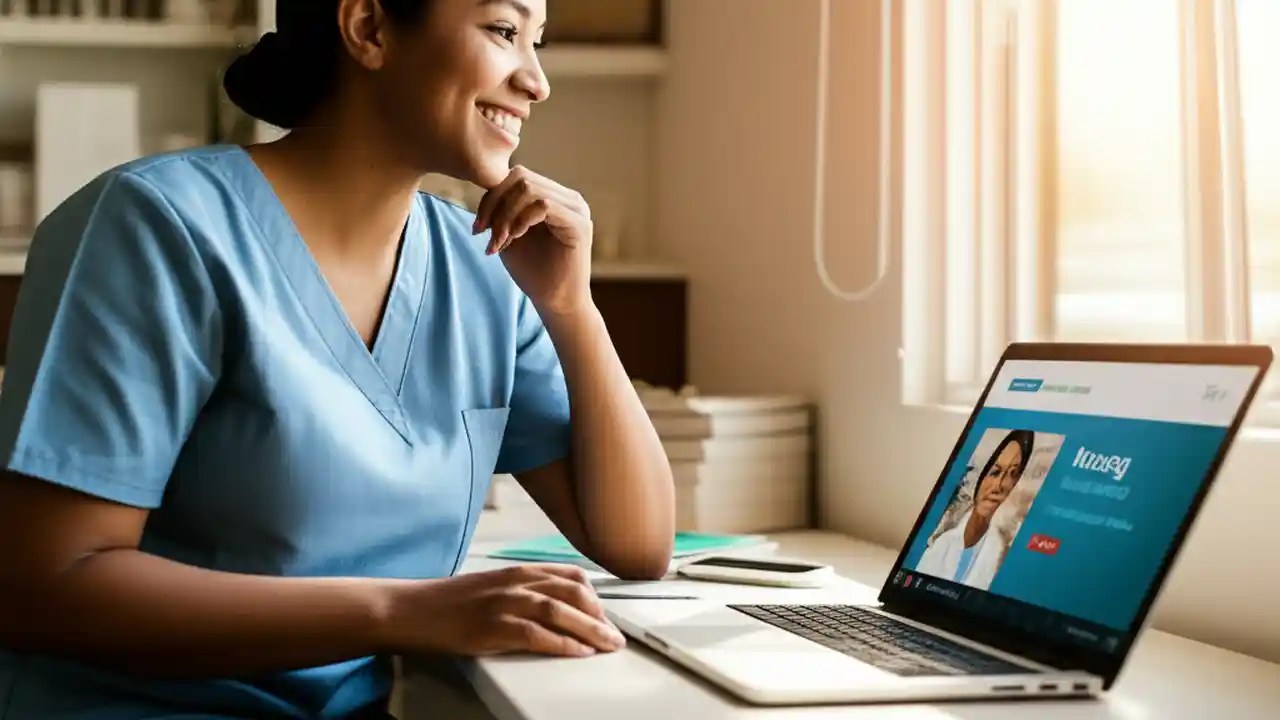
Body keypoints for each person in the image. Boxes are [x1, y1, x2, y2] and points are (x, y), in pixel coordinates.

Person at [0, 0, 676, 718]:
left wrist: (573, 308)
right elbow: (45, 587)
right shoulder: (156, 225)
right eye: (505, 32)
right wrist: (404, 611)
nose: (536, 82)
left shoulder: (486, 267)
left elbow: (637, 545)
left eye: (538, 42)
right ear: (369, 29)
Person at [917, 430, 1033, 590]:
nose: (998, 486)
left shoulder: (1003, 555)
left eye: (1012, 474)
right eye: (994, 472)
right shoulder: (941, 542)